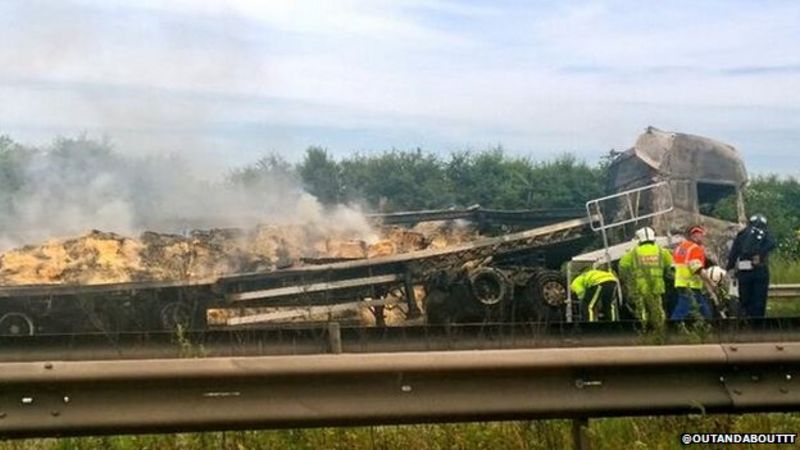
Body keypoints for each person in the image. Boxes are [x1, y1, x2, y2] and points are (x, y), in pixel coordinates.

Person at [619, 226, 673, 331]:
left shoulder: (633, 252)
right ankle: (660, 330)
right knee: (658, 308)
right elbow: (670, 268)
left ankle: (644, 329)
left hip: (639, 286)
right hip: (657, 285)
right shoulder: (662, 252)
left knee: (641, 309)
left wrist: (628, 280)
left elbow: (623, 267)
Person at [726, 214, 776, 318]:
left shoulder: (742, 234)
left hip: (744, 272)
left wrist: (729, 268)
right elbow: (772, 243)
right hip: (760, 271)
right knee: (759, 300)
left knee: (745, 300)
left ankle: (746, 324)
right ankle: (758, 325)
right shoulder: (765, 233)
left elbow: (733, 253)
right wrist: (760, 254)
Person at [670, 225, 713, 321]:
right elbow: (697, 269)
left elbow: (673, 267)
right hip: (690, 284)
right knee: (682, 309)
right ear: (694, 236)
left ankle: (710, 325)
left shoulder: (679, 248)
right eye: (701, 235)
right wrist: (711, 283)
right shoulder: (695, 249)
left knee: (703, 308)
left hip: (681, 283)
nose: (702, 238)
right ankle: (672, 327)